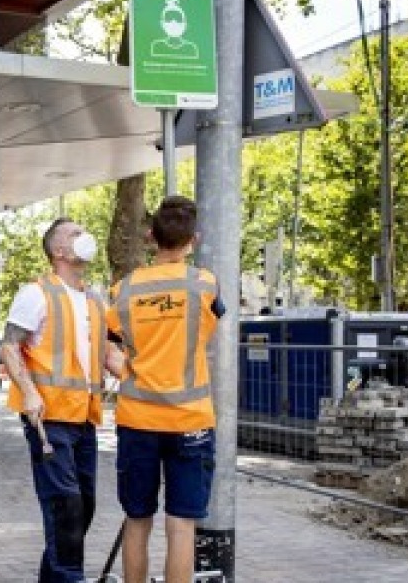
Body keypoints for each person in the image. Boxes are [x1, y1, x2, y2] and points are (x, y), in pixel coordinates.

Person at [105, 196, 225, 583]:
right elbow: (213, 322)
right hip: (190, 420)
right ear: (194, 239)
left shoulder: (122, 291)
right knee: (182, 524)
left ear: (150, 236)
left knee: (137, 520)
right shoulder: (204, 284)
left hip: (137, 420)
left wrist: (135, 369)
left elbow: (112, 349)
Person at [0, 217, 125, 583]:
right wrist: (31, 392)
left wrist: (148, 384)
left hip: (84, 417)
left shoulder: (94, 301)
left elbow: (109, 356)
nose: (85, 236)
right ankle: (70, 578)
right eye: (75, 234)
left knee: (82, 506)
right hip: (48, 417)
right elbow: (9, 347)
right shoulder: (35, 294)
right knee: (65, 506)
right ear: (58, 251)